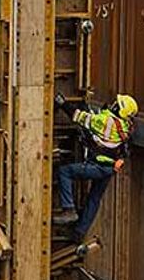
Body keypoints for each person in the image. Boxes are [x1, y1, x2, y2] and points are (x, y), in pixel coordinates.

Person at [55, 92, 138, 240]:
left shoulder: (106, 122)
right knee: (94, 198)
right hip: (110, 168)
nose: (113, 104)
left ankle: (69, 209)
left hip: (98, 166)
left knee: (64, 172)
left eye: (116, 104)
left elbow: (78, 117)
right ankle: (79, 232)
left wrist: (62, 103)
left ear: (118, 108)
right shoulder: (126, 127)